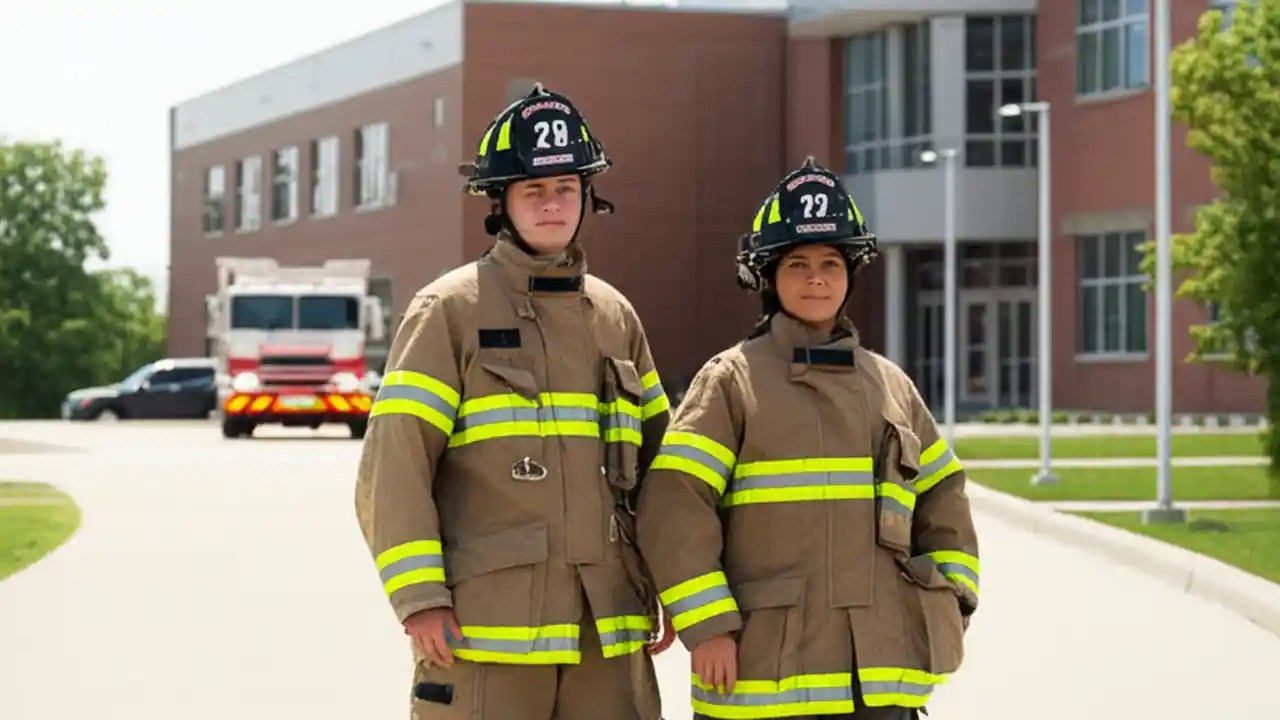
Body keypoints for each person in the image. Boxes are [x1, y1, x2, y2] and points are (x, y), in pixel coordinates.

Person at [355, 83, 675, 720]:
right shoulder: (449, 310)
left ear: (588, 196)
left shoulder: (616, 317)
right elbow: (393, 468)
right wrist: (420, 596)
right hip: (484, 633)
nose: (553, 204)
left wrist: (670, 583)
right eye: (534, 190)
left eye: (566, 189)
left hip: (607, 632)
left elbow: (663, 470)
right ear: (500, 202)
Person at [635, 157, 980, 720]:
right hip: (766, 680)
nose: (816, 277)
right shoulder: (731, 381)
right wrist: (708, 625)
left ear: (849, 273)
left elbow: (946, 502)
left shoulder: (890, 385)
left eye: (830, 262)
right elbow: (674, 508)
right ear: (768, 276)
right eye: (797, 263)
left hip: (880, 680)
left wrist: (951, 602)